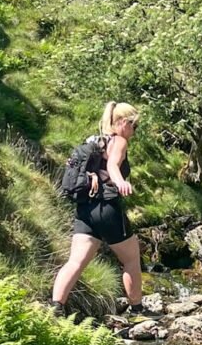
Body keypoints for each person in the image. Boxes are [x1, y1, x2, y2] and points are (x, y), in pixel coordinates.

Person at [50, 102, 144, 318]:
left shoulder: (92, 141)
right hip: (107, 207)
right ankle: (138, 309)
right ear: (122, 122)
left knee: (75, 261)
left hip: (85, 209)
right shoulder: (118, 140)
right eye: (134, 126)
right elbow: (112, 165)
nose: (134, 131)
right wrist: (120, 182)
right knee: (131, 258)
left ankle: (56, 307)